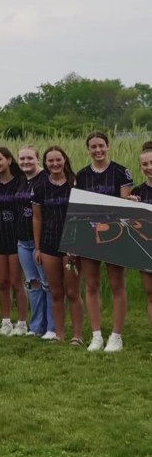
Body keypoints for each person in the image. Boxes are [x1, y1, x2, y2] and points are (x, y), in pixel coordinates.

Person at [75, 132, 132, 352]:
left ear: (108, 146)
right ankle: (96, 335)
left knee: (118, 285)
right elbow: (79, 209)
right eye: (93, 146)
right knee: (91, 285)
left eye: (101, 145)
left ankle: (116, 336)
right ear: (88, 149)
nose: (97, 150)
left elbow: (125, 205)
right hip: (90, 235)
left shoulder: (121, 172)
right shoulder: (82, 175)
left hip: (115, 234)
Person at [32, 146, 83, 343]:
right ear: (45, 163)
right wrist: (38, 247)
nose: (55, 164)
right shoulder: (40, 187)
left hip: (72, 245)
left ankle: (77, 336)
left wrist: (79, 243)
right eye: (50, 161)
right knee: (56, 292)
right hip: (48, 244)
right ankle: (59, 334)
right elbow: (37, 219)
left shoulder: (76, 183)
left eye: (58, 160)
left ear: (64, 160)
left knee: (72, 292)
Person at [0, 147, 29, 337]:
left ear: (9, 160)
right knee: (3, 282)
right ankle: (6, 321)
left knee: (16, 282)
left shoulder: (20, 183)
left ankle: (21, 322)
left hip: (15, 237)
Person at [16, 145, 53, 337]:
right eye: (22, 159)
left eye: (30, 158)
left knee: (48, 284)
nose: (25, 162)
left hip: (41, 241)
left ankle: (52, 326)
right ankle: (36, 326)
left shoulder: (46, 179)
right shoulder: (22, 180)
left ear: (38, 159)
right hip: (23, 241)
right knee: (33, 283)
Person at [129, 143, 152, 333]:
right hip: (145, 249)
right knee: (151, 294)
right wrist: (130, 206)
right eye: (145, 164)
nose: (149, 167)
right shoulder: (137, 192)